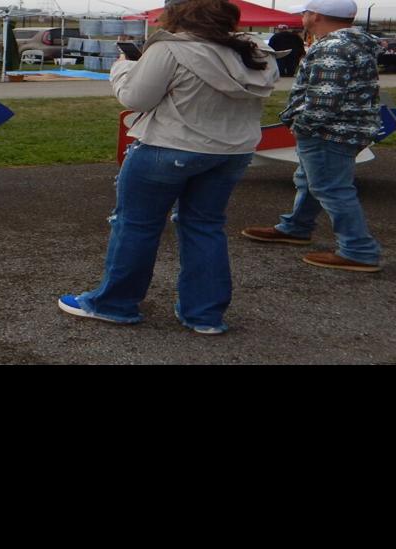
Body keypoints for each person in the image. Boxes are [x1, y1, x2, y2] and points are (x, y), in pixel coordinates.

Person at [57, 0, 279, 335]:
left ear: (178, 14)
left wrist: (122, 68)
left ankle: (114, 304)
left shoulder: (170, 49)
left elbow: (136, 98)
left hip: (168, 147)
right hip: (232, 152)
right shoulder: (256, 52)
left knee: (136, 225)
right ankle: (204, 314)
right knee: (205, 226)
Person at [241, 0, 382, 272]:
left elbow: (324, 99)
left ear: (315, 16)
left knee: (331, 188)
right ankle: (295, 227)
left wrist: (302, 125)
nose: (303, 17)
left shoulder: (332, 47)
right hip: (348, 127)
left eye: (305, 13)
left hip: (328, 131)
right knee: (311, 180)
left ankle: (359, 250)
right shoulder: (356, 42)